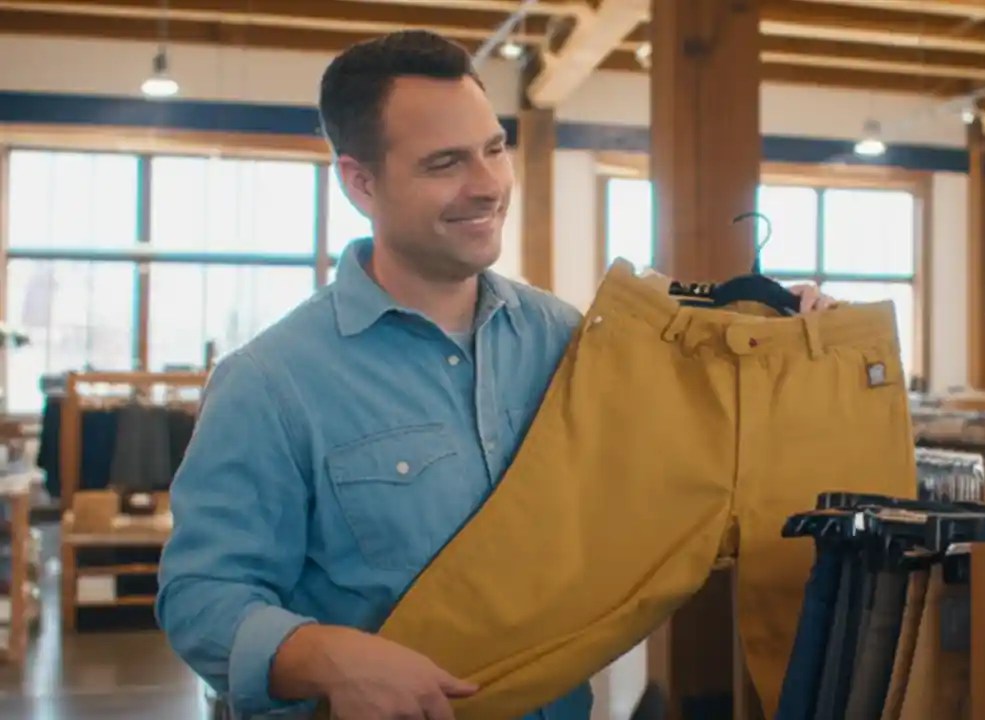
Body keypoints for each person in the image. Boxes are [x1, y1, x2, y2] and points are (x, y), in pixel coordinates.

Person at [156, 29, 833, 720]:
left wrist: (803, 350)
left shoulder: (566, 340)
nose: (486, 185)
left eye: (494, 149)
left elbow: (687, 477)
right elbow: (201, 593)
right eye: (445, 163)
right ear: (361, 182)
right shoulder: (270, 382)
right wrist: (327, 656)